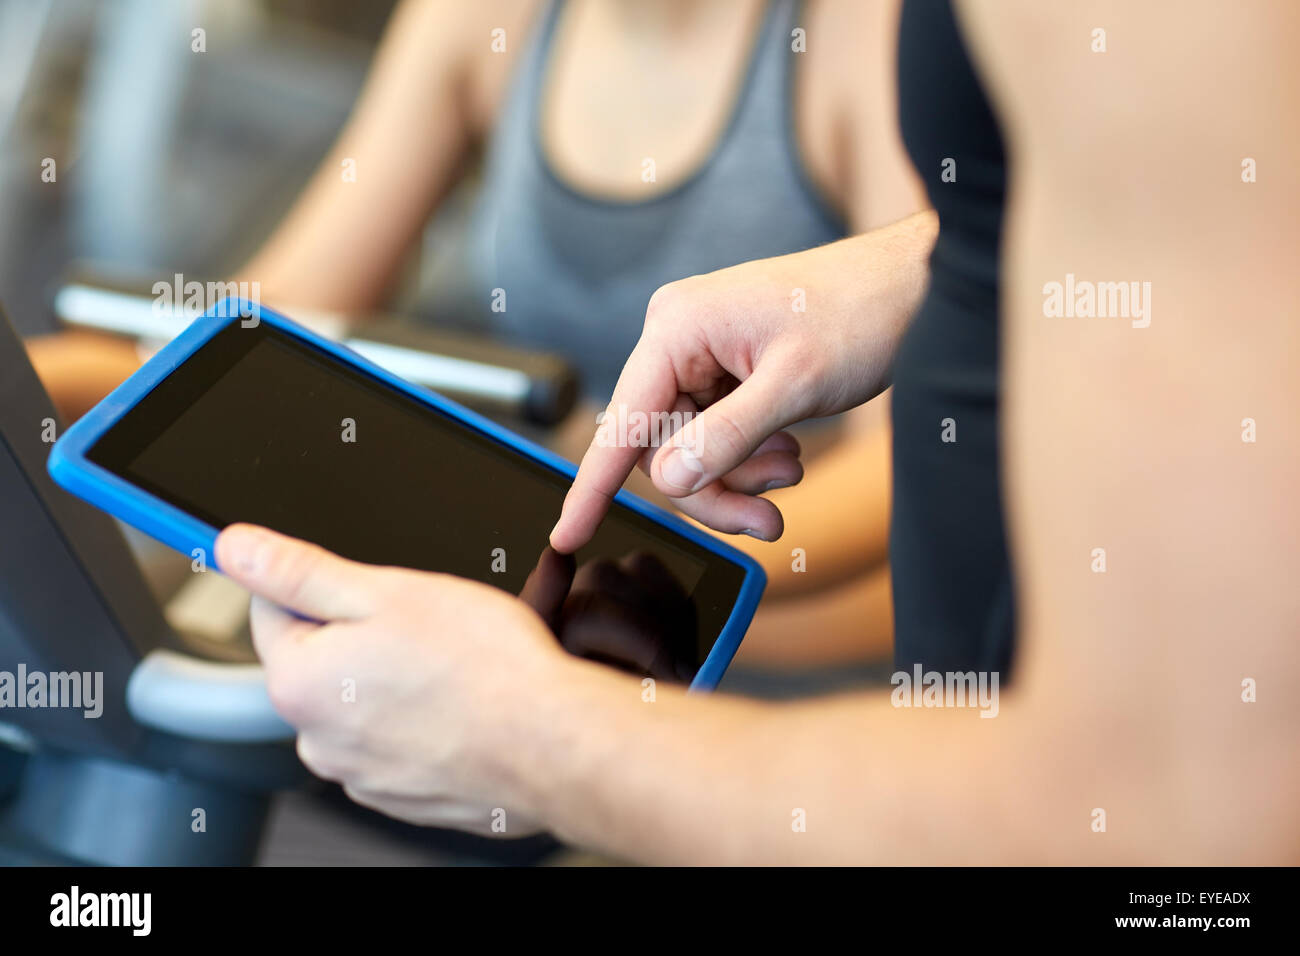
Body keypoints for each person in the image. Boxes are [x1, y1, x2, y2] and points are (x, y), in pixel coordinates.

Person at [154, 0, 1300, 862]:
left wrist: (539, 734)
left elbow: (1185, 832)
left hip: (866, 713)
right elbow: (1087, 209)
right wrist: (907, 273)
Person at [29, 0, 926, 666]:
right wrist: (34, 378)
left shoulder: (858, 44)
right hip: (547, 573)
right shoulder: (482, 19)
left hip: (770, 606)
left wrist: (625, 555)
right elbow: (264, 321)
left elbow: (911, 469)